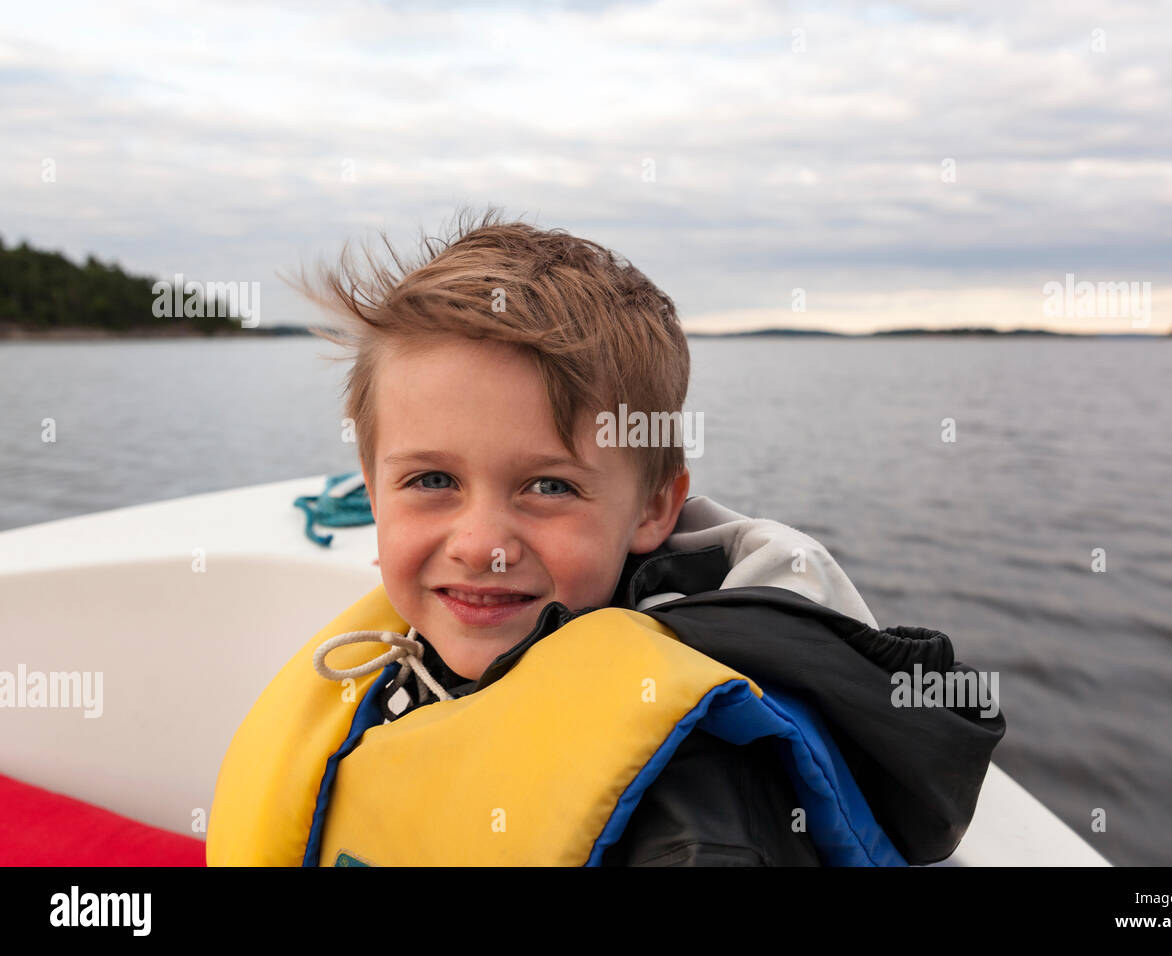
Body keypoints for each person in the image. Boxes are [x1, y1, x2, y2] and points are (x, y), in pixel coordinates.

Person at [205, 207, 1005, 866]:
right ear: (371, 489)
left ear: (655, 509)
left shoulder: (697, 802)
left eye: (549, 487)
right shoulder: (409, 661)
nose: (482, 543)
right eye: (431, 482)